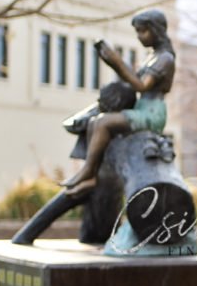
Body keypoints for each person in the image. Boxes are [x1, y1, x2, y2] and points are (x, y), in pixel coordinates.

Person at [60, 10, 175, 195]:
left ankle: (89, 171)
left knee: (103, 122)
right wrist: (112, 61)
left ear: (156, 30)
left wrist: (117, 62)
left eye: (143, 31)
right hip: (141, 108)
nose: (140, 37)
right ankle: (91, 174)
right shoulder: (152, 56)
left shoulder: (165, 58)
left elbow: (142, 86)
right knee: (94, 121)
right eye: (137, 32)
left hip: (152, 112)